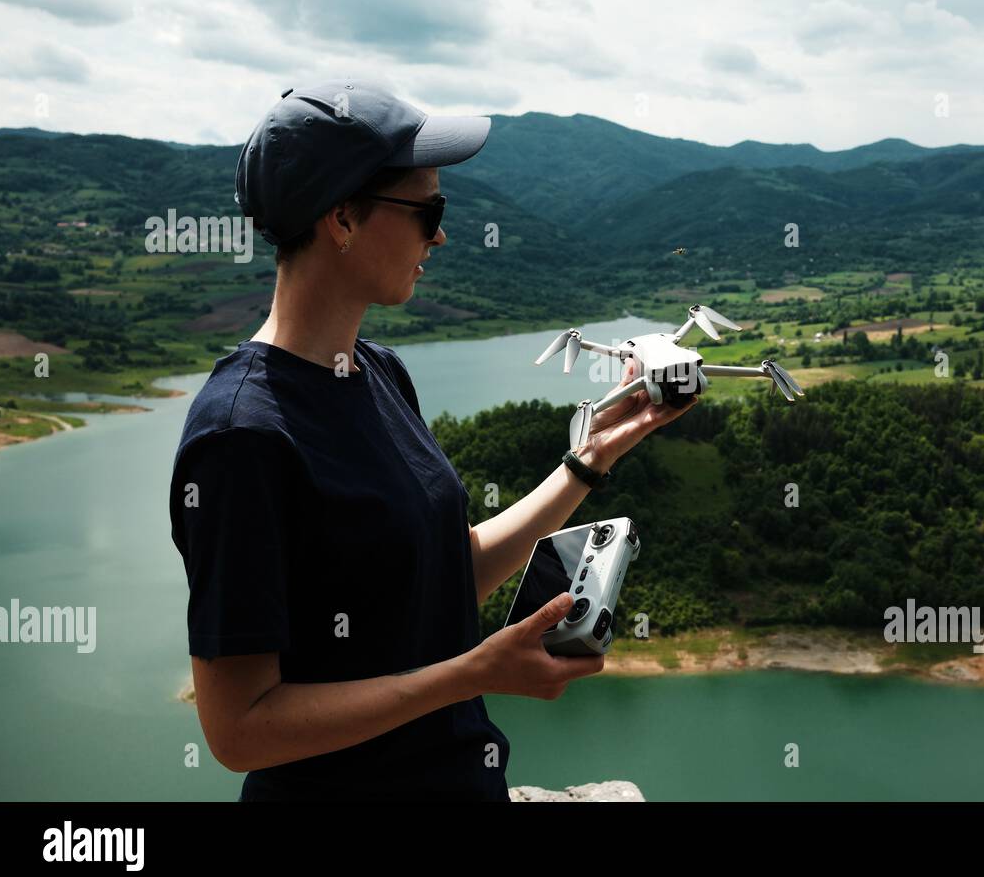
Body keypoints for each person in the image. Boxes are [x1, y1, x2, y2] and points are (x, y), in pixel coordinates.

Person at [167, 80, 697, 801]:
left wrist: (589, 458)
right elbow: (239, 731)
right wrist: (473, 673)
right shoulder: (242, 438)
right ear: (343, 217)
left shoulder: (379, 372)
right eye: (428, 210)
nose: (441, 235)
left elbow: (440, 577)